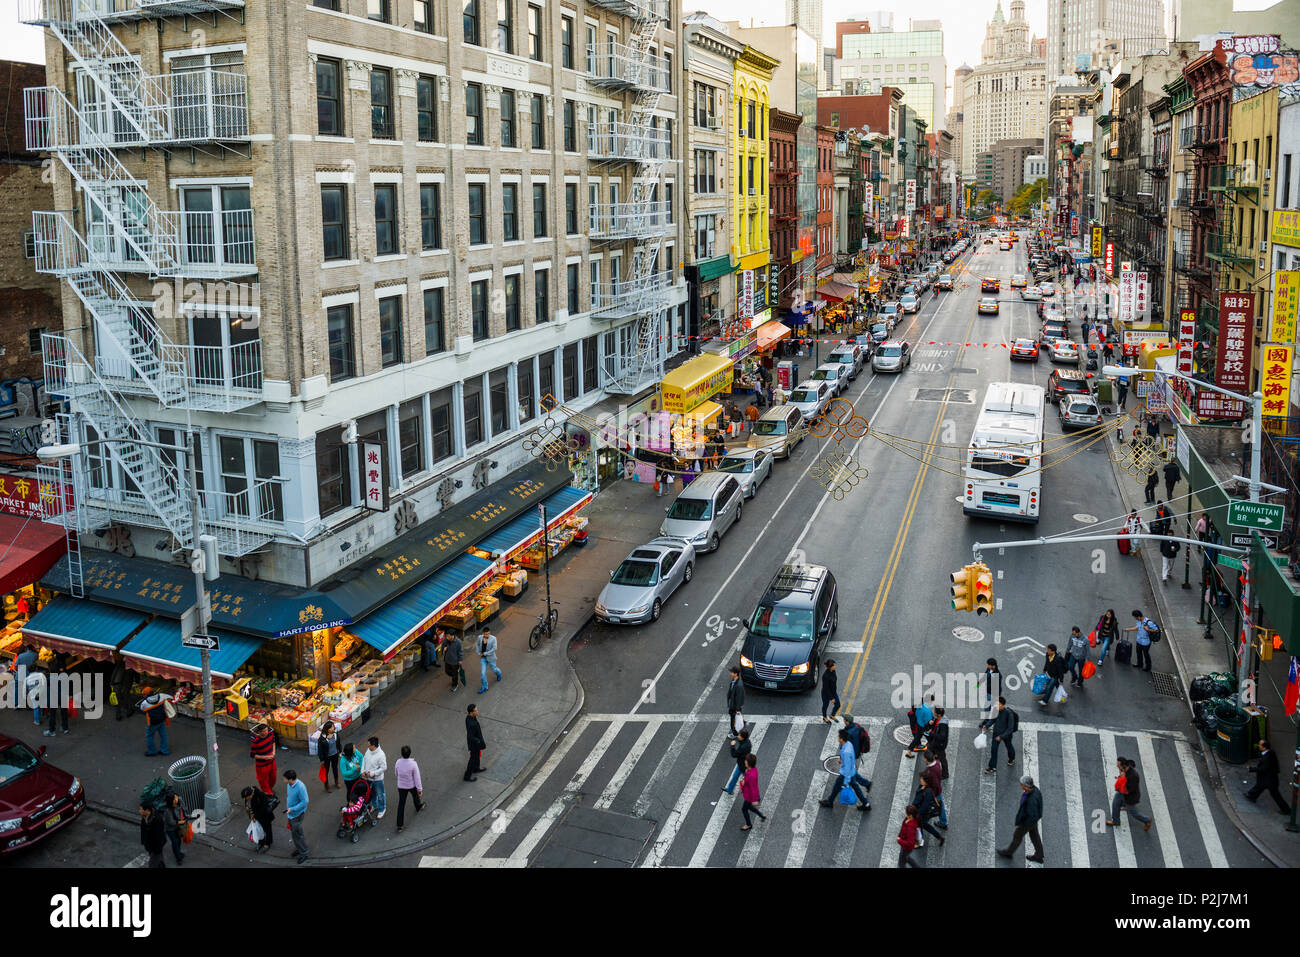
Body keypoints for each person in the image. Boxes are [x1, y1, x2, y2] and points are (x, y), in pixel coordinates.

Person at [818, 728, 870, 811]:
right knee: (852, 787)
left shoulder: (846, 751)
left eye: (839, 736)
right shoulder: (848, 744)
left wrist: (846, 782)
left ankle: (830, 802)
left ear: (842, 739)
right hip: (851, 771)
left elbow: (847, 767)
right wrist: (841, 758)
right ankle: (866, 804)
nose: (838, 738)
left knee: (840, 786)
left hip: (846, 774)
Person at [997, 775, 1044, 863]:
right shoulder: (1035, 791)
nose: (1021, 785)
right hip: (1033, 821)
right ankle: (1039, 855)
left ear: (1026, 786)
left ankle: (1008, 852)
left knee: (1017, 836)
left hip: (1027, 823)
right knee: (1035, 837)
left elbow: (1031, 814)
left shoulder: (1031, 800)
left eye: (1022, 784)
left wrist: (1023, 824)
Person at [1244, 739, 1290, 813]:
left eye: (1260, 745)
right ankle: (1251, 796)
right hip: (1269, 778)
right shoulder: (1270, 752)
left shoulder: (1267, 757)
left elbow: (1263, 769)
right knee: (1260, 786)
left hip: (1270, 780)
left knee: (1275, 795)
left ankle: (1286, 810)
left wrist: (1251, 769)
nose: (1258, 746)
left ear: (1264, 747)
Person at [1106, 757, 1153, 831]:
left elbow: (1128, 790)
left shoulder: (1133, 776)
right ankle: (1116, 821)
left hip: (1130, 797)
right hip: (1122, 793)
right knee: (1115, 804)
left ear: (1124, 766)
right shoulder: (1124, 770)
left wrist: (1121, 780)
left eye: (1119, 766)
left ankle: (1147, 820)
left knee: (1134, 813)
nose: (1118, 767)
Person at [980, 696, 1017, 773]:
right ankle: (992, 767)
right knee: (993, 750)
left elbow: (1010, 729)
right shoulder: (995, 710)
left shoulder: (1009, 714)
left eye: (998, 704)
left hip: (1006, 735)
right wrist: (986, 726)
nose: (996, 706)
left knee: (1009, 746)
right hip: (996, 733)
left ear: (1003, 705)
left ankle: (1011, 758)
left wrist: (1001, 736)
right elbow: (992, 720)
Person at [394, 745, 425, 832]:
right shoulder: (413, 764)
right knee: (415, 796)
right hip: (411, 785)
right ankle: (418, 806)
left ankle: (399, 825)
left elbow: (396, 773)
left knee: (401, 804)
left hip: (401, 786)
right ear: (410, 753)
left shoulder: (398, 762)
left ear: (402, 753)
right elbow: (417, 778)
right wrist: (420, 789)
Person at [283, 769, 309, 864]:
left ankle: (304, 853)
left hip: (297, 815)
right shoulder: (289, 785)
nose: (283, 780)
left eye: (285, 778)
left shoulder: (300, 787)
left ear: (290, 779)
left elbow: (305, 801)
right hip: (291, 814)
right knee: (296, 834)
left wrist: (293, 809)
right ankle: (300, 848)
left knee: (297, 834)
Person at [43, 652, 70, 737]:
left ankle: (52, 731)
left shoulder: (50, 678)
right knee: (64, 712)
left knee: (53, 714)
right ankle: (65, 728)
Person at [912, 777, 945, 846]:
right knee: (924, 826)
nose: (920, 780)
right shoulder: (924, 787)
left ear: (926, 781)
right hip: (921, 813)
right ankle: (939, 837)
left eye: (922, 779)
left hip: (921, 814)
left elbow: (925, 806)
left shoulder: (927, 792)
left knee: (922, 826)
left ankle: (920, 842)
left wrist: (917, 813)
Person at [242, 785, 276, 852]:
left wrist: (255, 816)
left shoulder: (260, 795)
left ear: (251, 794)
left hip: (265, 816)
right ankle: (261, 842)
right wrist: (251, 815)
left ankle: (268, 843)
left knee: (267, 829)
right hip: (257, 815)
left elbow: (264, 808)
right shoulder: (249, 794)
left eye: (247, 797)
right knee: (259, 829)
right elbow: (248, 805)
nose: (247, 799)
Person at [139, 688, 172, 757]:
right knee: (163, 735)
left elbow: (142, 708)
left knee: (149, 736)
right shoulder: (161, 696)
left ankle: (152, 751)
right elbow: (170, 697)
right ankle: (165, 750)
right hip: (162, 719)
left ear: (146, 695)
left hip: (153, 722)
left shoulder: (145, 703)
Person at [738, 753, 767, 831]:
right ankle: (761, 816)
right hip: (748, 794)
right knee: (749, 807)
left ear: (749, 764)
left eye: (746, 761)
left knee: (744, 809)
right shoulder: (752, 769)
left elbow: (753, 789)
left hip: (749, 796)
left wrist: (755, 802)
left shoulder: (752, 776)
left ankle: (748, 825)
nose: (745, 762)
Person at [162, 792, 192, 866]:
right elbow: (171, 822)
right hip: (171, 829)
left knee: (178, 841)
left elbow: (184, 809)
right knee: (175, 842)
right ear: (171, 801)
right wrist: (180, 822)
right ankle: (178, 858)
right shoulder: (167, 811)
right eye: (174, 798)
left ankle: (178, 852)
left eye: (176, 797)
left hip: (178, 826)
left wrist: (186, 817)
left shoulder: (179, 801)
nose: (176, 798)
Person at [361, 736, 387, 819]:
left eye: (369, 745)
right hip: (368, 778)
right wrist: (362, 771)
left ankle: (382, 809)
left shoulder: (381, 755)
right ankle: (374, 805)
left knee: (380, 795)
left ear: (374, 746)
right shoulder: (368, 750)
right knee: (372, 794)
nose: (367, 747)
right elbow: (364, 760)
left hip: (377, 779)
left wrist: (372, 773)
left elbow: (384, 768)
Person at [721, 728, 751, 795]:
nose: (738, 736)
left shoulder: (743, 747)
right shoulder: (747, 742)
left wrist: (732, 746)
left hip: (743, 766)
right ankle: (729, 790)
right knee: (735, 777)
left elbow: (734, 755)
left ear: (743, 737)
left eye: (739, 735)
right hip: (741, 764)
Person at [922, 750, 947, 827]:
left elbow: (935, 784)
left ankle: (942, 822)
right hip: (937, 790)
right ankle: (943, 822)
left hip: (934, 792)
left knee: (935, 806)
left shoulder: (931, 771)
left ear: (926, 759)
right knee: (939, 806)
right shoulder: (937, 763)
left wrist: (933, 795)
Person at [249, 722, 276, 794]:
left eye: (266, 730)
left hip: (271, 761)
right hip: (262, 765)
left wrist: (273, 751)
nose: (265, 732)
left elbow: (273, 742)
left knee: (273, 777)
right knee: (263, 780)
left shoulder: (270, 734)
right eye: (263, 731)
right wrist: (264, 757)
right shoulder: (256, 742)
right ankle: (267, 793)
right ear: (259, 732)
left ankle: (269, 788)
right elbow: (252, 755)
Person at [140, 803, 167, 869]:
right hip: (151, 846)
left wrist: (156, 849)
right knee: (159, 860)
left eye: (141, 809)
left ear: (147, 810)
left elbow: (159, 836)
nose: (139, 811)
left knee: (153, 863)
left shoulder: (157, 820)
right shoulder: (145, 817)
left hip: (155, 848)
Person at [465, 703, 487, 782]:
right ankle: (467, 776)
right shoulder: (472, 724)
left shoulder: (469, 717)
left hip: (476, 743)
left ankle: (476, 768)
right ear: (471, 712)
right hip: (474, 744)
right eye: (476, 711)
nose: (477, 712)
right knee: (472, 760)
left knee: (477, 756)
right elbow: (470, 736)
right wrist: (478, 741)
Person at [477, 628, 503, 694]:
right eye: (486, 634)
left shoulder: (493, 638)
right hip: (483, 658)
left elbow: (494, 648)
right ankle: (485, 686)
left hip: (491, 658)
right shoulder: (480, 637)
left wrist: (486, 653)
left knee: (494, 669)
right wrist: (478, 652)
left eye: (488, 633)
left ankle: (499, 673)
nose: (487, 635)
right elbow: (477, 644)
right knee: (482, 673)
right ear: (483, 633)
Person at [317, 720, 340, 792]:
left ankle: (336, 782)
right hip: (327, 757)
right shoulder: (322, 738)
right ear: (328, 729)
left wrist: (340, 751)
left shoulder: (335, 734)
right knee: (326, 771)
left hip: (335, 755)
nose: (334, 728)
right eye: (332, 727)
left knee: (335, 769)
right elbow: (320, 749)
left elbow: (338, 743)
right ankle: (326, 785)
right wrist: (322, 759)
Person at [110, 653, 133, 720]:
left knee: (118, 699)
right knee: (126, 696)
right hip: (124, 684)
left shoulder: (120, 664)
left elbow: (115, 672)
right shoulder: (130, 666)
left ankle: (118, 715)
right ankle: (128, 711)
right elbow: (131, 676)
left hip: (116, 683)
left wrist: (111, 682)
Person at [929, 711, 950, 780]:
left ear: (939, 714)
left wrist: (932, 734)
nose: (934, 712)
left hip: (939, 745)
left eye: (935, 712)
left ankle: (945, 774)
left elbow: (942, 737)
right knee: (929, 751)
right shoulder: (937, 719)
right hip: (935, 742)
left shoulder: (943, 725)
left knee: (943, 759)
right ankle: (933, 765)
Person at [725, 666, 745, 739]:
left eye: (732, 672)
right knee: (734, 720)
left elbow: (739, 698)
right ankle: (736, 731)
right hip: (732, 705)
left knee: (734, 721)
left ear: (736, 674)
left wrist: (737, 709)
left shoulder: (739, 685)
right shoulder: (734, 680)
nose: (730, 673)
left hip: (734, 707)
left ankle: (735, 734)